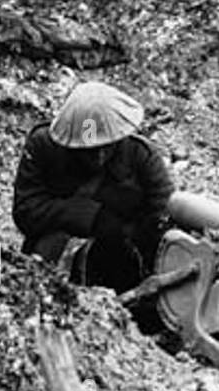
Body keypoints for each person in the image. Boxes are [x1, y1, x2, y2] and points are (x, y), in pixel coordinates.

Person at [12, 81, 174, 293]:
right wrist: (86, 216)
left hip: (120, 262)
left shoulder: (142, 157)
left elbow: (164, 216)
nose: (98, 157)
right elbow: (25, 211)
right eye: (88, 150)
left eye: (105, 147)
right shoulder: (43, 147)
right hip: (53, 253)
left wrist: (127, 232)